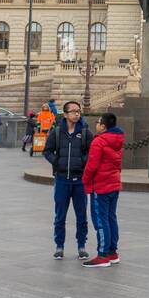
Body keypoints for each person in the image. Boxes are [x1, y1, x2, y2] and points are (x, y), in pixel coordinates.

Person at [44, 101, 91, 260]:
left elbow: (92, 152)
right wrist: (57, 162)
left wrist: (82, 162)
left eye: (78, 111)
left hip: (80, 181)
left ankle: (81, 246)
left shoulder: (85, 132)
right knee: (60, 215)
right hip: (62, 179)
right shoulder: (57, 132)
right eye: (73, 111)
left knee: (81, 216)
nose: (76, 114)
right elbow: (47, 150)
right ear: (65, 114)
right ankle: (59, 246)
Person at [82, 112, 125, 268]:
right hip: (113, 183)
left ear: (104, 126)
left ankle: (103, 255)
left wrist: (85, 181)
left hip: (100, 186)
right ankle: (112, 252)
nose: (96, 124)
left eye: (98, 122)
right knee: (111, 218)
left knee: (100, 220)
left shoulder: (99, 141)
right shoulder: (118, 140)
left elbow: (91, 166)